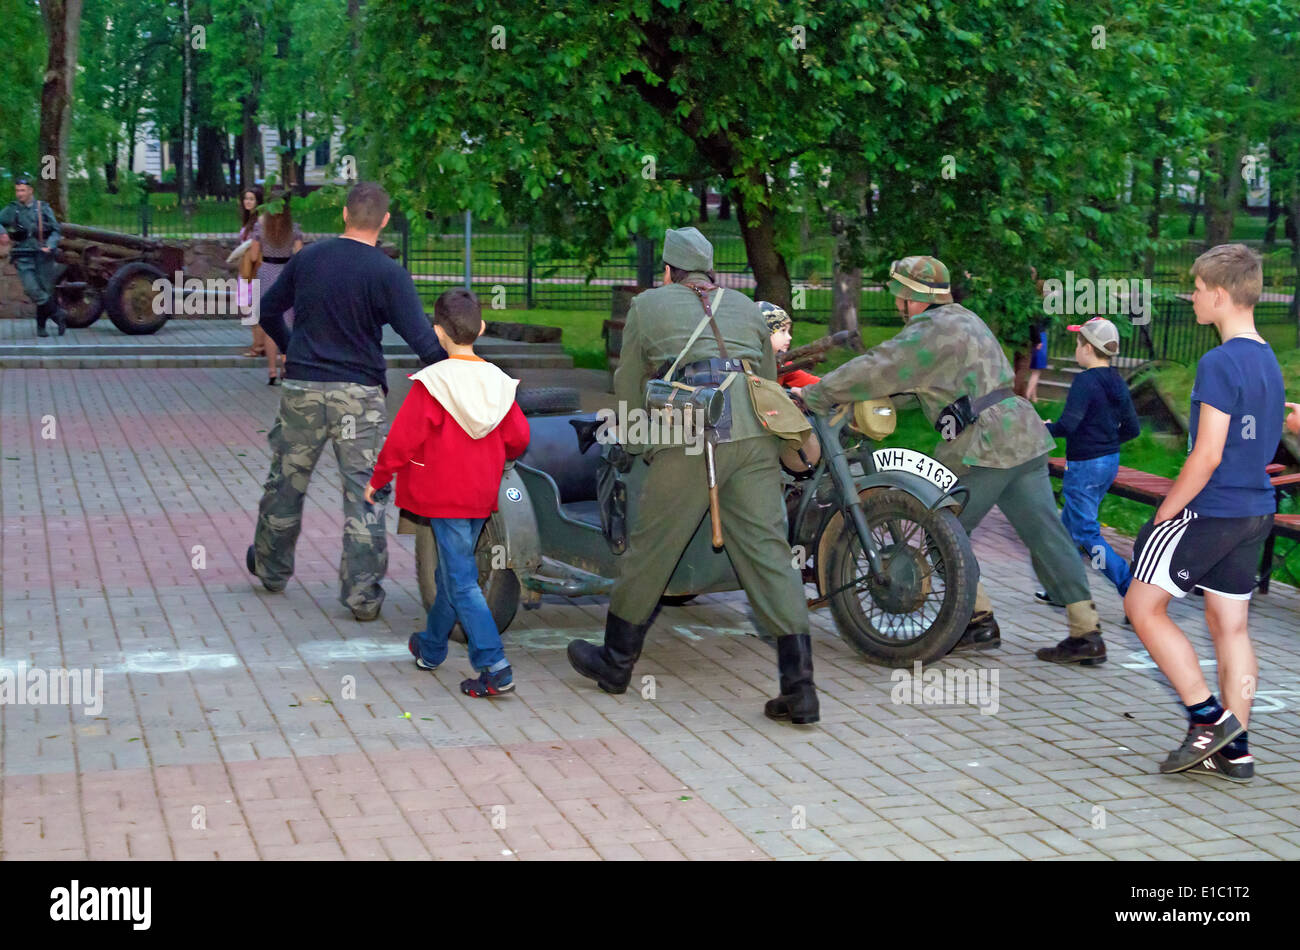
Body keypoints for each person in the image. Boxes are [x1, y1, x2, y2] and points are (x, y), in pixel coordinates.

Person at [796, 256, 1108, 664]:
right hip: (1024, 435)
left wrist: (817, 394)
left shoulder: (927, 330)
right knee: (1046, 534)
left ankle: (976, 622)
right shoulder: (965, 318)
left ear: (912, 297)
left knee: (943, 533)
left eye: (899, 296)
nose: (896, 304)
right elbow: (921, 386)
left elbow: (879, 368)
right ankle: (1087, 633)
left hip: (983, 445)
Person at [566, 227, 821, 724]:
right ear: (710, 270)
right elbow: (766, 379)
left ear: (667, 270)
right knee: (770, 555)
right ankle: (802, 689)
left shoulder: (647, 307)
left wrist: (637, 441)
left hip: (688, 433)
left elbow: (630, 382)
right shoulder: (748, 307)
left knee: (652, 550)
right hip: (751, 435)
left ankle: (615, 665)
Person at [246, 181, 447, 622]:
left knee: (286, 480)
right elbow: (423, 342)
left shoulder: (308, 259)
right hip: (359, 396)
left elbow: (265, 309)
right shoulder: (389, 273)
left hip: (302, 389)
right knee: (366, 494)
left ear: (344, 215)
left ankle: (270, 567)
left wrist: (294, 345)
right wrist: (463, 379)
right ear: (385, 221)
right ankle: (362, 597)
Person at [1124, 244, 1284, 783]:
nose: (1191, 296)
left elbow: (1208, 453)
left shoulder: (1219, 361)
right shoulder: (1266, 358)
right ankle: (1236, 749)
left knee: (1142, 607)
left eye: (1195, 288)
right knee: (1229, 626)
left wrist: (1164, 515)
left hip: (1212, 511)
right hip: (1255, 511)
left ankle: (1208, 719)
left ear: (1218, 295)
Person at [366, 288, 530, 697]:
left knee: (460, 581)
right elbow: (519, 438)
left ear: (438, 332)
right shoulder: (498, 382)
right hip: (480, 495)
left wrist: (378, 478)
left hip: (442, 497)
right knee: (452, 574)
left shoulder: (431, 385)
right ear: (482, 328)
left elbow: (402, 442)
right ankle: (432, 646)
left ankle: (494, 665)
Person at [1039, 317, 1140, 599]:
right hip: (1108, 462)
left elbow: (1068, 425)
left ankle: (1130, 587)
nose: (1076, 348)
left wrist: (1045, 427)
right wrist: (1104, 443)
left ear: (1087, 348)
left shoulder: (1084, 382)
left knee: (1085, 532)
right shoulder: (1117, 382)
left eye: (1077, 343)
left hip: (1085, 466)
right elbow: (1133, 429)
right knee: (1069, 528)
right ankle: (1063, 590)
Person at [0, 175, 66, 337]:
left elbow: (56, 230)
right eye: (17, 190)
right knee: (32, 289)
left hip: (43, 255)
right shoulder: (13, 209)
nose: (19, 194)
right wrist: (2, 233)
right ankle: (58, 314)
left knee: (44, 289)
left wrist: (50, 245)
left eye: (22, 190)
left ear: (30, 191)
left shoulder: (42, 208)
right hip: (24, 255)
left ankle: (41, 327)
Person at [250, 189, 304, 384]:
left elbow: (254, 256)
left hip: (267, 272)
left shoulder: (260, 227)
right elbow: (299, 255)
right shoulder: (294, 228)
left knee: (271, 323)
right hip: (287, 273)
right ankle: (287, 366)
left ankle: (271, 371)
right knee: (288, 322)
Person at [236, 186, 265, 358]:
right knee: (248, 307)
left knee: (252, 308)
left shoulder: (259, 221)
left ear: (258, 201)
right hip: (246, 268)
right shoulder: (249, 220)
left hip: (253, 268)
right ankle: (258, 344)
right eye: (246, 198)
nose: (248, 202)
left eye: (252, 199)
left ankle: (258, 346)